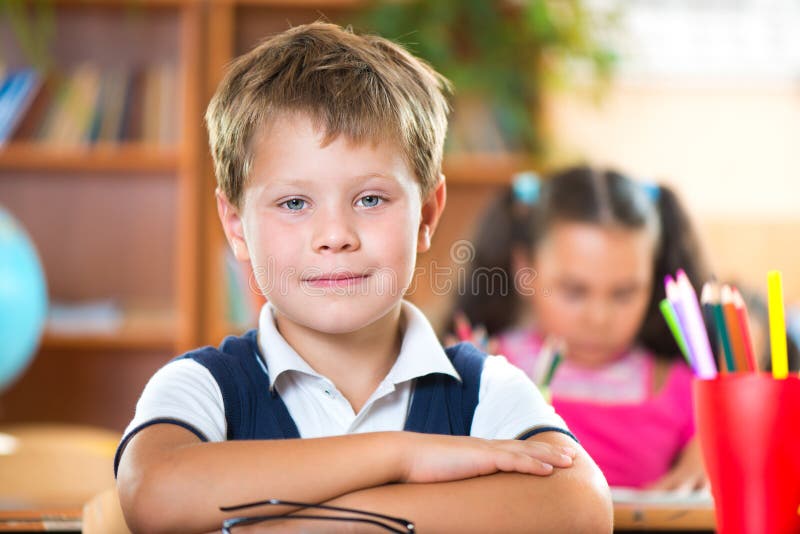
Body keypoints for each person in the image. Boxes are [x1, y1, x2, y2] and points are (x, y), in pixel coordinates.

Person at [114, 22, 612, 533]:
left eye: (370, 199)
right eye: (294, 203)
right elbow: (152, 494)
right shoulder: (203, 386)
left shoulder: (485, 388)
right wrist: (398, 457)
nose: (335, 235)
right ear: (235, 224)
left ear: (427, 216)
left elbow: (579, 508)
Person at [454, 166, 709, 491]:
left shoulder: (682, 391)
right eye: (574, 291)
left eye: (624, 292)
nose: (598, 318)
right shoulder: (482, 370)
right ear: (526, 272)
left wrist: (713, 451)